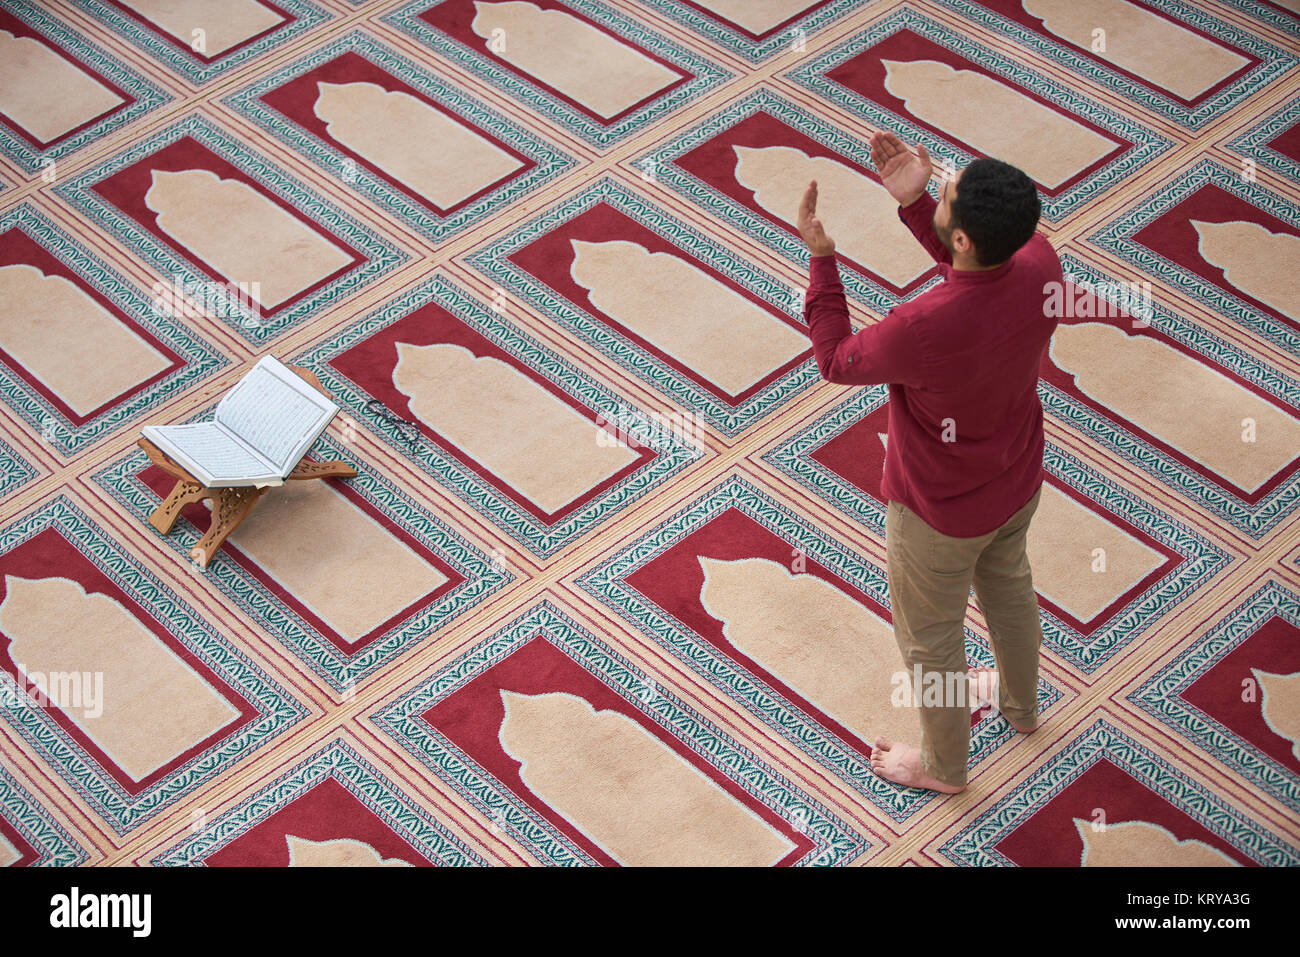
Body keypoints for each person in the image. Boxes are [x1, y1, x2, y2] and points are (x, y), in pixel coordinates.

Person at [795, 132, 1062, 794]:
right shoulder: (1041, 263)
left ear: (964, 240)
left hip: (938, 515)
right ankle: (1022, 709)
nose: (940, 185)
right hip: (1018, 476)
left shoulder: (922, 327)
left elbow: (837, 359)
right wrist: (918, 202)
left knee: (932, 644)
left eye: (945, 191)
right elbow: (981, 278)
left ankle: (944, 766)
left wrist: (822, 260)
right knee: (1008, 587)